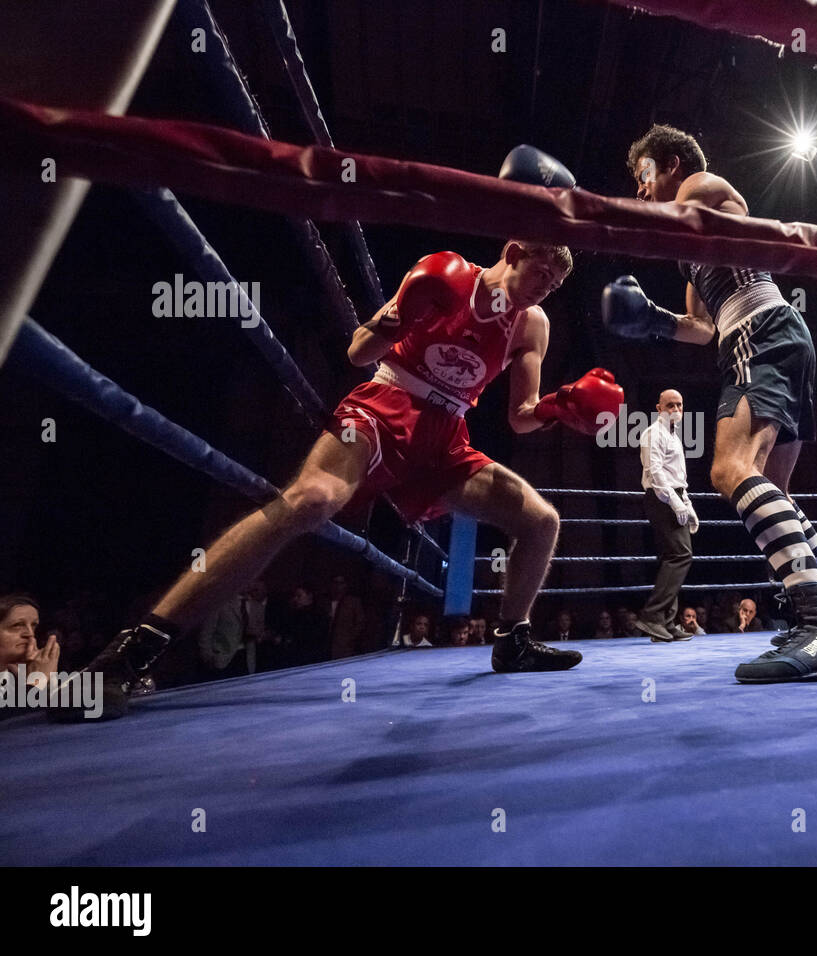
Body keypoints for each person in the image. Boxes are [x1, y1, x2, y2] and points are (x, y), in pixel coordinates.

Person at [57, 168, 622, 720]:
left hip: (447, 436)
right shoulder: (449, 275)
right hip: (385, 406)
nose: (548, 284)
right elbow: (357, 352)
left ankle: (512, 640)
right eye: (544, 268)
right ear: (514, 250)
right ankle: (134, 649)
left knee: (542, 521)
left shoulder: (532, 325)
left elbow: (521, 419)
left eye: (556, 281)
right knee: (310, 500)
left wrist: (558, 410)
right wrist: (401, 315)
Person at [604, 125, 817, 683]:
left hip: (761, 333)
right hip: (765, 337)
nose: (640, 192)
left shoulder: (702, 187)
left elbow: (667, 224)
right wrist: (651, 321)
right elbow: (702, 328)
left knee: (729, 468)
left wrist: (584, 213)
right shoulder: (691, 258)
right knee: (772, 491)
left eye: (643, 177)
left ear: (672, 164)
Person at [636, 388, 697, 642]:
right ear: (659, 408)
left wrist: (687, 504)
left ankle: (666, 623)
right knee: (681, 555)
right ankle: (652, 616)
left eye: (679, 405)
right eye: (670, 405)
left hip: (673, 498)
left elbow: (677, 476)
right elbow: (655, 473)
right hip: (661, 500)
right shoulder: (653, 433)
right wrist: (675, 502)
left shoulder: (673, 435)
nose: (676, 410)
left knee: (670, 557)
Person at [1, 595, 60, 720]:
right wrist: (36, 683)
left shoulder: (20, 676)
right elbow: (12, 729)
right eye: (17, 625)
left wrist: (49, 683)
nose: (30, 634)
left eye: (33, 626)